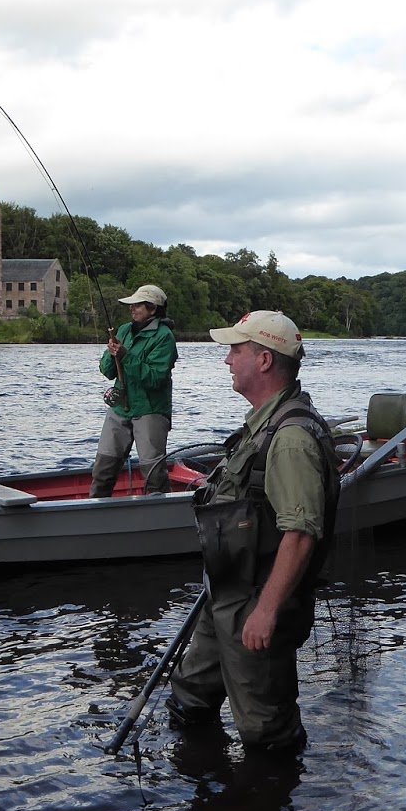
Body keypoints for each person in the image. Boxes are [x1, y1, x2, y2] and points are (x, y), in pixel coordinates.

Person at [167, 310, 338, 754]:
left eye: (235, 350)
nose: (227, 360)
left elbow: (301, 534)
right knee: (189, 697)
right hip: (226, 594)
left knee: (267, 734)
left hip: (257, 605)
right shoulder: (263, 424)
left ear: (263, 360)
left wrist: (266, 611)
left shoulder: (291, 438)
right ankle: (199, 790)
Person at [91, 284, 178, 498]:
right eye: (132, 305)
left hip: (150, 409)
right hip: (120, 408)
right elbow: (107, 371)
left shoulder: (165, 337)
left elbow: (155, 378)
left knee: (153, 473)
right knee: (103, 468)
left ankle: (161, 514)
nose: (132, 309)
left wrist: (126, 356)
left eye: (138, 305)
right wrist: (111, 355)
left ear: (152, 309)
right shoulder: (123, 330)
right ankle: (95, 511)